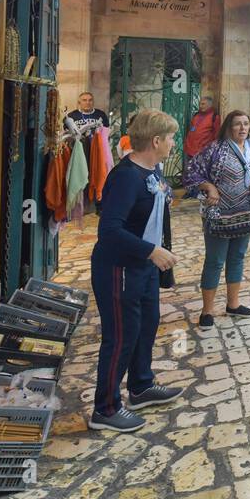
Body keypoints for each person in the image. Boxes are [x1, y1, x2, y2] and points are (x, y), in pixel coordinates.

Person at [88, 108, 182, 432]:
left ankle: (141, 386)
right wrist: (152, 251)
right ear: (155, 140)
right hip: (119, 269)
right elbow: (110, 231)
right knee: (121, 337)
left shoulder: (152, 169)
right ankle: (106, 408)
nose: (174, 143)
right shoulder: (126, 177)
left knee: (147, 325)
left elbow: (156, 202)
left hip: (143, 269)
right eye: (171, 137)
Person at [184, 110, 250, 329]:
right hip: (219, 214)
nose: (242, 128)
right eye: (237, 124)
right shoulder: (214, 150)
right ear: (228, 127)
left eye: (246, 124)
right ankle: (207, 311)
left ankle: (233, 304)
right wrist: (209, 186)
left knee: (238, 257)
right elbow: (192, 173)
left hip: (245, 213)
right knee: (215, 261)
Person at [185, 95, 219, 160]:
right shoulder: (196, 115)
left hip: (203, 152)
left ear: (210, 105)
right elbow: (191, 130)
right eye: (200, 104)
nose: (200, 106)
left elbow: (216, 136)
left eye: (203, 104)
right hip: (189, 151)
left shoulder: (214, 117)